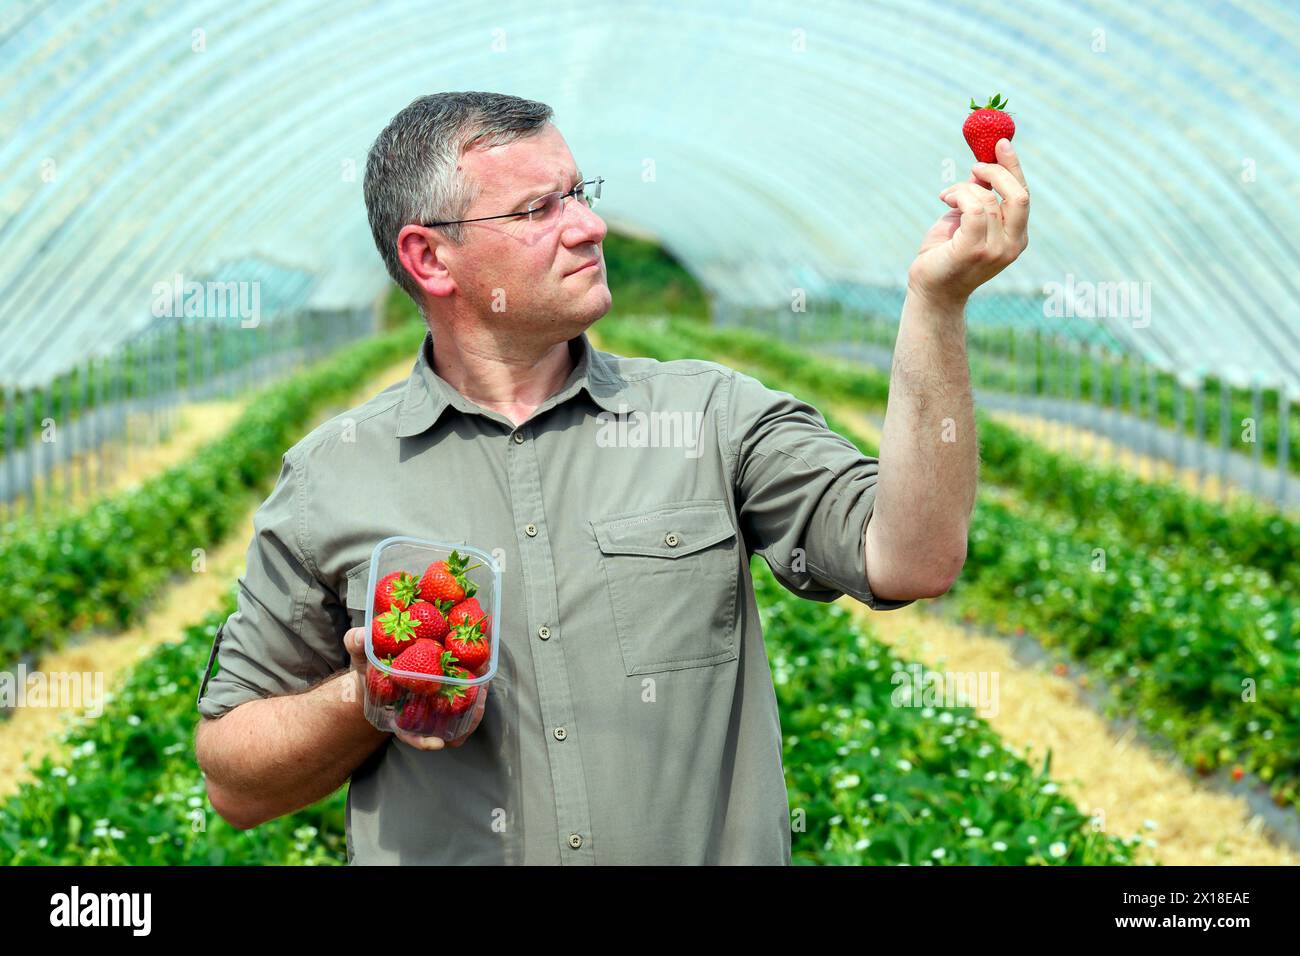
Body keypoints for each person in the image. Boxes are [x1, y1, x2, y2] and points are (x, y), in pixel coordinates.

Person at [193, 90, 1031, 864]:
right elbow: (234, 780)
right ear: (431, 258)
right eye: (538, 208)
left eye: (579, 192)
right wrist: (369, 694)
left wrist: (936, 303)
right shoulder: (333, 478)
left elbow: (912, 557)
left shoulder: (711, 418)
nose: (589, 226)